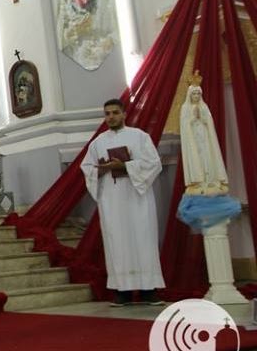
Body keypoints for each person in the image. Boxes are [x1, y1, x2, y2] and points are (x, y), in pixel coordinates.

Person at [81, 99, 165, 306]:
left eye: (115, 113)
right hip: (112, 199)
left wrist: (126, 165)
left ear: (124, 114)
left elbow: (154, 163)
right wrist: (101, 169)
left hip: (138, 198)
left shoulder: (139, 137)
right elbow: (87, 168)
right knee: (116, 242)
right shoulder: (98, 143)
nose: (111, 117)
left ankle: (149, 290)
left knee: (143, 239)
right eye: (107, 113)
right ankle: (122, 291)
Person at [179, 82, 228, 196]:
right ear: (189, 95)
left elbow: (209, 122)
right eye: (194, 94)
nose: (196, 96)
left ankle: (210, 179)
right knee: (197, 158)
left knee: (208, 157)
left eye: (198, 94)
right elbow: (184, 125)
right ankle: (199, 181)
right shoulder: (185, 107)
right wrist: (192, 118)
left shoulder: (204, 106)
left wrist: (202, 118)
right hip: (193, 140)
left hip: (205, 137)